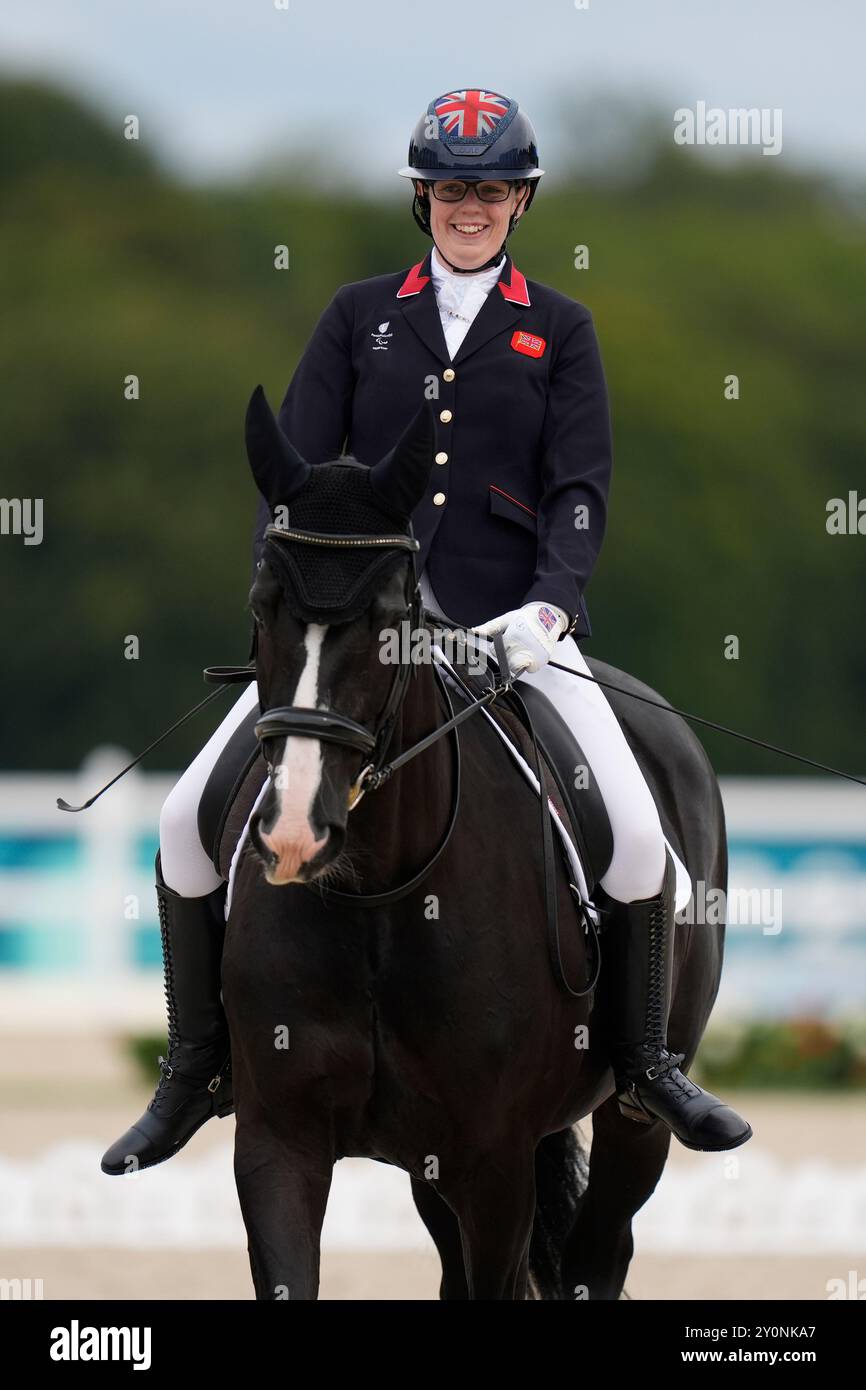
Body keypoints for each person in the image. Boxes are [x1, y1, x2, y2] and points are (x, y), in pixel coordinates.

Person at [102, 88, 751, 1176]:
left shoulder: (562, 330)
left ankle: (641, 1063)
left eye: (491, 189)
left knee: (643, 845)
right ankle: (194, 1066)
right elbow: (292, 478)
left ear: (519, 200)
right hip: (355, 642)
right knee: (179, 820)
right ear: (421, 196)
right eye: (451, 187)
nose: (470, 205)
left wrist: (545, 609)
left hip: (515, 631)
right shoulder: (359, 316)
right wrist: (294, 593)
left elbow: (579, 490)